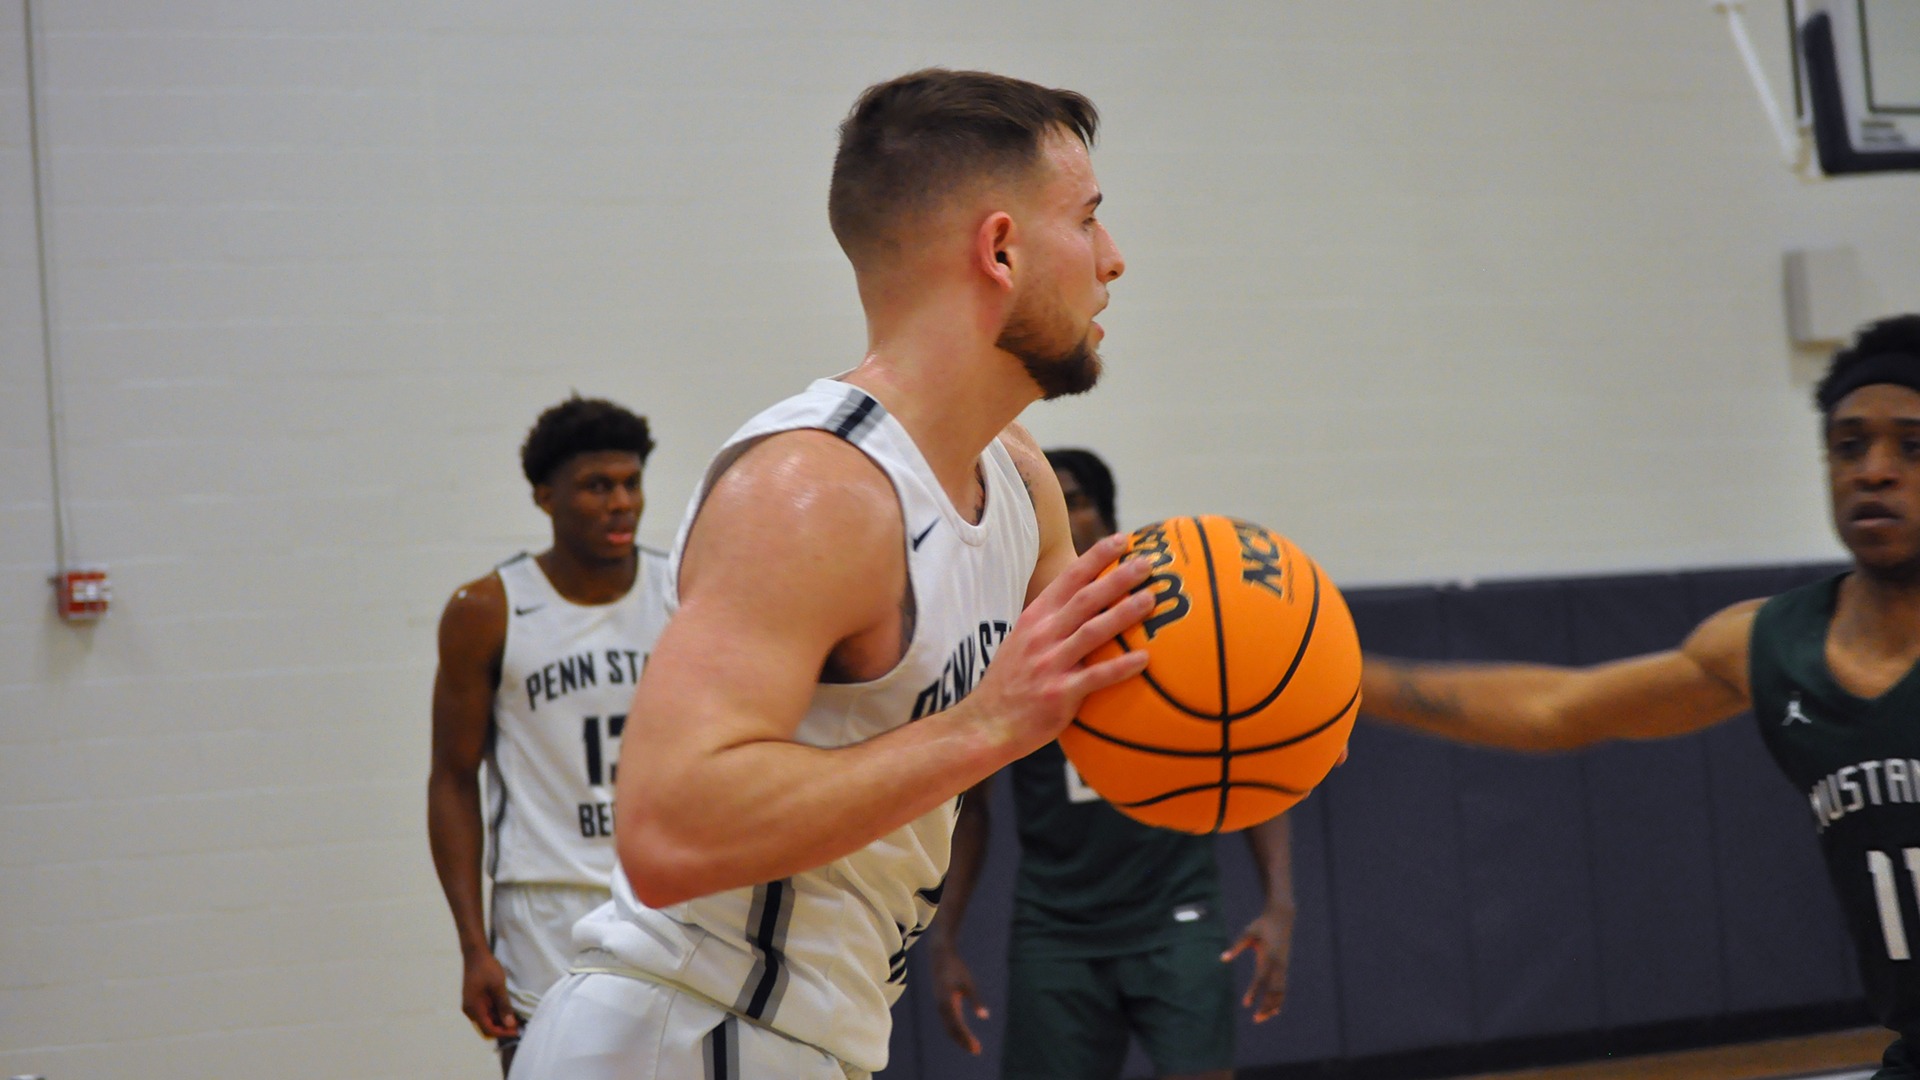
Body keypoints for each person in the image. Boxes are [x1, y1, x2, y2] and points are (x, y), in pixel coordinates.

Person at [507, 69, 1153, 1080]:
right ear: (1000, 249)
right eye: (1087, 219)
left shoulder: (1018, 476)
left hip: (799, 1035)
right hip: (688, 1025)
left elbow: (1111, 708)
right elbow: (668, 833)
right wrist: (985, 727)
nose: (1114, 258)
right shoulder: (813, 490)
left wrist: (1282, 695)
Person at [1357, 314, 1920, 1078]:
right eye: (1850, 445)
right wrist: (1347, 680)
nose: (1875, 470)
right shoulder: (1771, 645)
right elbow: (1559, 710)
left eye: (1912, 446)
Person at [928, 446, 1296, 1080]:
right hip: (1056, 927)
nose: (1059, 516)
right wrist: (944, 938)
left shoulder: (1172, 623)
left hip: (1176, 916)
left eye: (1074, 501)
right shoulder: (1010, 640)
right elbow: (973, 809)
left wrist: (1280, 905)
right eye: (1042, 504)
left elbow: (1244, 759)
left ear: (1107, 517)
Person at [427, 396, 671, 1075]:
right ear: (545, 496)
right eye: (597, 486)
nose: (621, 503)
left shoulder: (683, 591)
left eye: (631, 483)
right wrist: (473, 946)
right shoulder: (488, 610)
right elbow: (452, 779)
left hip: (664, 897)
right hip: (543, 905)